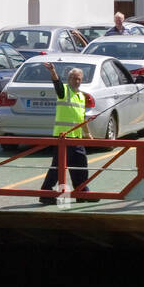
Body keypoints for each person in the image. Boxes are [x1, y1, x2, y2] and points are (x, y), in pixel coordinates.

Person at [39, 61, 91, 205]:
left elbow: (82, 118)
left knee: (81, 166)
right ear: (69, 79)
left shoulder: (81, 96)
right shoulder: (64, 91)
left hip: (77, 138)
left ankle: (82, 192)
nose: (77, 81)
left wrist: (88, 134)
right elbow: (57, 84)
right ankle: (46, 193)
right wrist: (53, 72)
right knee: (58, 167)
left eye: (79, 78)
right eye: (74, 78)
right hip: (63, 137)